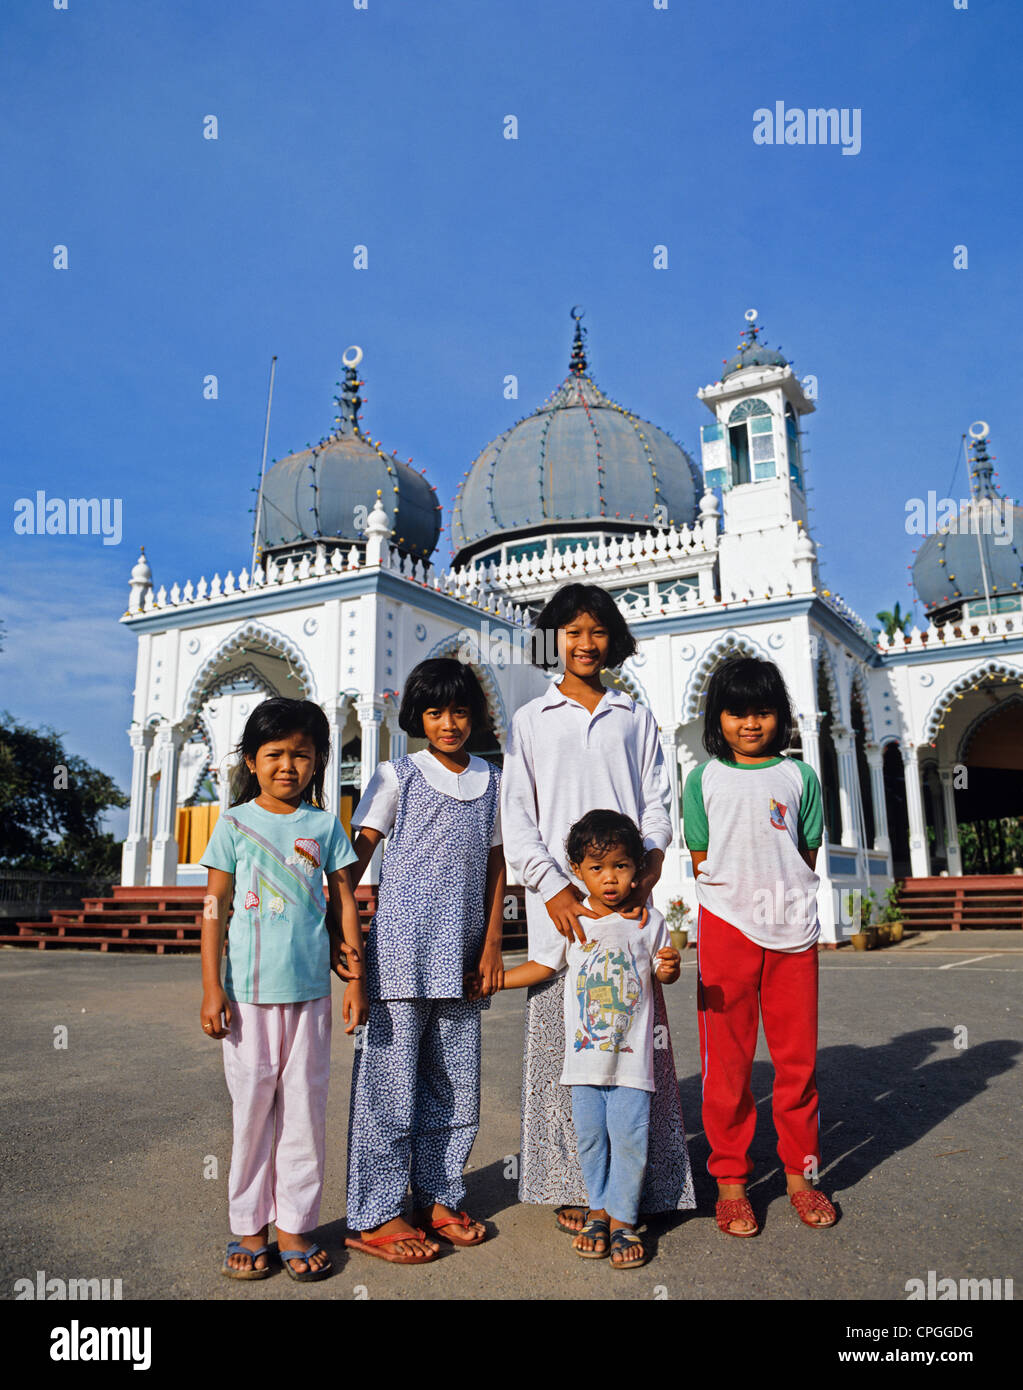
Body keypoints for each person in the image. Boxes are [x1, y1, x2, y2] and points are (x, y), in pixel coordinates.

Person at [501, 582, 695, 1234]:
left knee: (631, 1049)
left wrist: (648, 866)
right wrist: (552, 887)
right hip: (559, 909)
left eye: (597, 631)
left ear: (613, 639)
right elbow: (518, 815)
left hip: (622, 905)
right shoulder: (531, 720)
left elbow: (656, 804)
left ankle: (637, 1187)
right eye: (572, 631)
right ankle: (575, 1185)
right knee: (563, 1055)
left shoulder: (631, 716)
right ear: (554, 638)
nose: (585, 644)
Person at [343, 658, 505, 1265]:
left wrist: (491, 944)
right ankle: (377, 1212)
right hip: (399, 958)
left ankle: (439, 1196)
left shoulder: (492, 778)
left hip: (463, 957)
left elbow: (496, 866)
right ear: (418, 716)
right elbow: (354, 864)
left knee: (457, 1085)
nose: (448, 723)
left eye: (460, 711)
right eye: (435, 712)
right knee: (390, 1086)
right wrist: (345, 937)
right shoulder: (396, 775)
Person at [200, 697, 365, 1281]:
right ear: (251, 759)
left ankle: (294, 1225)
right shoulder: (235, 823)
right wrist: (211, 987)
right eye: (274, 754)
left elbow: (345, 898)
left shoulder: (324, 826)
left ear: (319, 761)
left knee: (304, 1110)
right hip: (245, 997)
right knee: (251, 1111)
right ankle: (249, 1227)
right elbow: (214, 908)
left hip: (311, 997)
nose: (287, 766)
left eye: (302, 754)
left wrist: (354, 978)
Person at [683, 655, 837, 1236]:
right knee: (728, 1064)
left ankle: (801, 1174)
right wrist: (740, 905)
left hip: (792, 930)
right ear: (717, 717)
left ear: (782, 717)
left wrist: (782, 902)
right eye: (737, 712)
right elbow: (703, 859)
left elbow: (805, 854)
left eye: (764, 712)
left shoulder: (800, 778)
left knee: (796, 1062)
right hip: (727, 929)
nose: (751, 723)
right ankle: (731, 1180)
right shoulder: (703, 779)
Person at [496, 811, 681, 1269]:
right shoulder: (572, 922)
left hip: (633, 1064)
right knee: (593, 1140)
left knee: (631, 1139)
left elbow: (663, 970)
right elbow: (542, 967)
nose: (611, 878)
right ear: (576, 871)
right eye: (597, 868)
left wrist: (670, 967)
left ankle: (623, 1220)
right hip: (582, 1066)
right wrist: (495, 980)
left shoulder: (648, 921)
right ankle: (596, 1208)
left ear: (638, 867)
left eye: (621, 866)